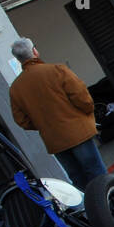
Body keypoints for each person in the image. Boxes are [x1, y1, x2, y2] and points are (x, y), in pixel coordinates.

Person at [7, 38, 106, 191]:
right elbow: (82, 98)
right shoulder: (57, 70)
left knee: (77, 179)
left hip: (53, 140)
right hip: (77, 131)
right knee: (96, 172)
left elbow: (21, 120)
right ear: (34, 51)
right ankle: (110, 205)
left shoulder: (15, 88)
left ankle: (88, 210)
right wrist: (86, 115)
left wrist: (43, 124)